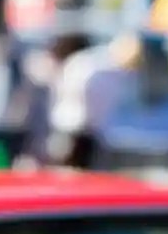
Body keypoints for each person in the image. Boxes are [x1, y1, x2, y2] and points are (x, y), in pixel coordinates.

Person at [51, 33, 140, 170]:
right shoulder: (91, 65)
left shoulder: (119, 73)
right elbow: (71, 91)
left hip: (94, 130)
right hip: (75, 126)